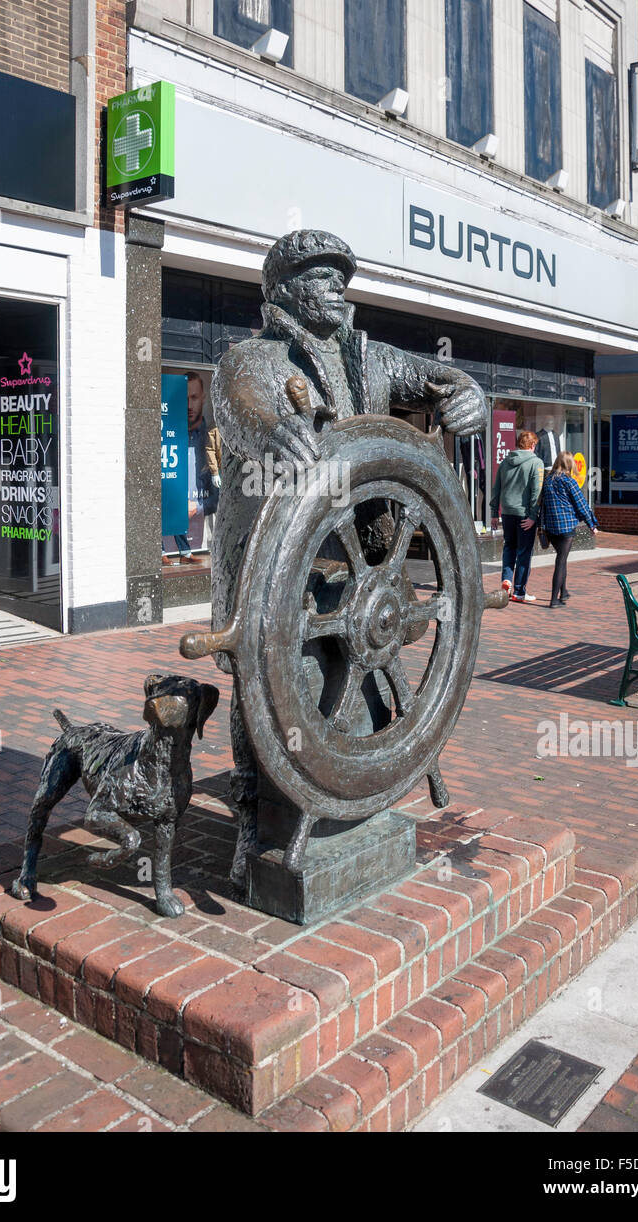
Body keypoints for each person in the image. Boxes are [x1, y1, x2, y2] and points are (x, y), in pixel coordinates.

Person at [211, 228, 487, 888]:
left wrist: (469, 394)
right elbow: (239, 407)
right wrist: (274, 430)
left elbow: (444, 379)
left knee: (346, 686)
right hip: (273, 566)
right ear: (281, 291)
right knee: (263, 693)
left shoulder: (375, 360)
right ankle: (254, 825)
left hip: (358, 574)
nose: (338, 286)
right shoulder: (253, 358)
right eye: (319, 275)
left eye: (342, 275)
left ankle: (353, 795)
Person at [162, 372, 219, 566]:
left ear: (203, 398)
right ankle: (167, 552)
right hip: (173, 497)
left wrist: (200, 506)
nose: (188, 405)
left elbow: (220, 494)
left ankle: (186, 553)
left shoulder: (210, 436)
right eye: (184, 399)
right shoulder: (169, 432)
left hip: (200, 516)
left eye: (193, 398)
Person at [490, 429, 544, 603]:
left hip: (507, 512)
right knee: (524, 552)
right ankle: (519, 591)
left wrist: (493, 513)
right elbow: (537, 492)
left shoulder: (506, 461)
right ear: (533, 445)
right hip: (524, 514)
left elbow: (496, 488)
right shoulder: (536, 463)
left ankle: (506, 578)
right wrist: (533, 516)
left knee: (509, 547)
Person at [541, 450, 599, 608]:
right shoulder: (569, 482)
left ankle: (564, 592)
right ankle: (554, 599)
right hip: (566, 526)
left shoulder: (547, 481)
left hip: (551, 527)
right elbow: (581, 504)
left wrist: (542, 526)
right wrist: (591, 524)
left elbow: (543, 505)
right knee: (560, 561)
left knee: (562, 559)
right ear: (569, 464)